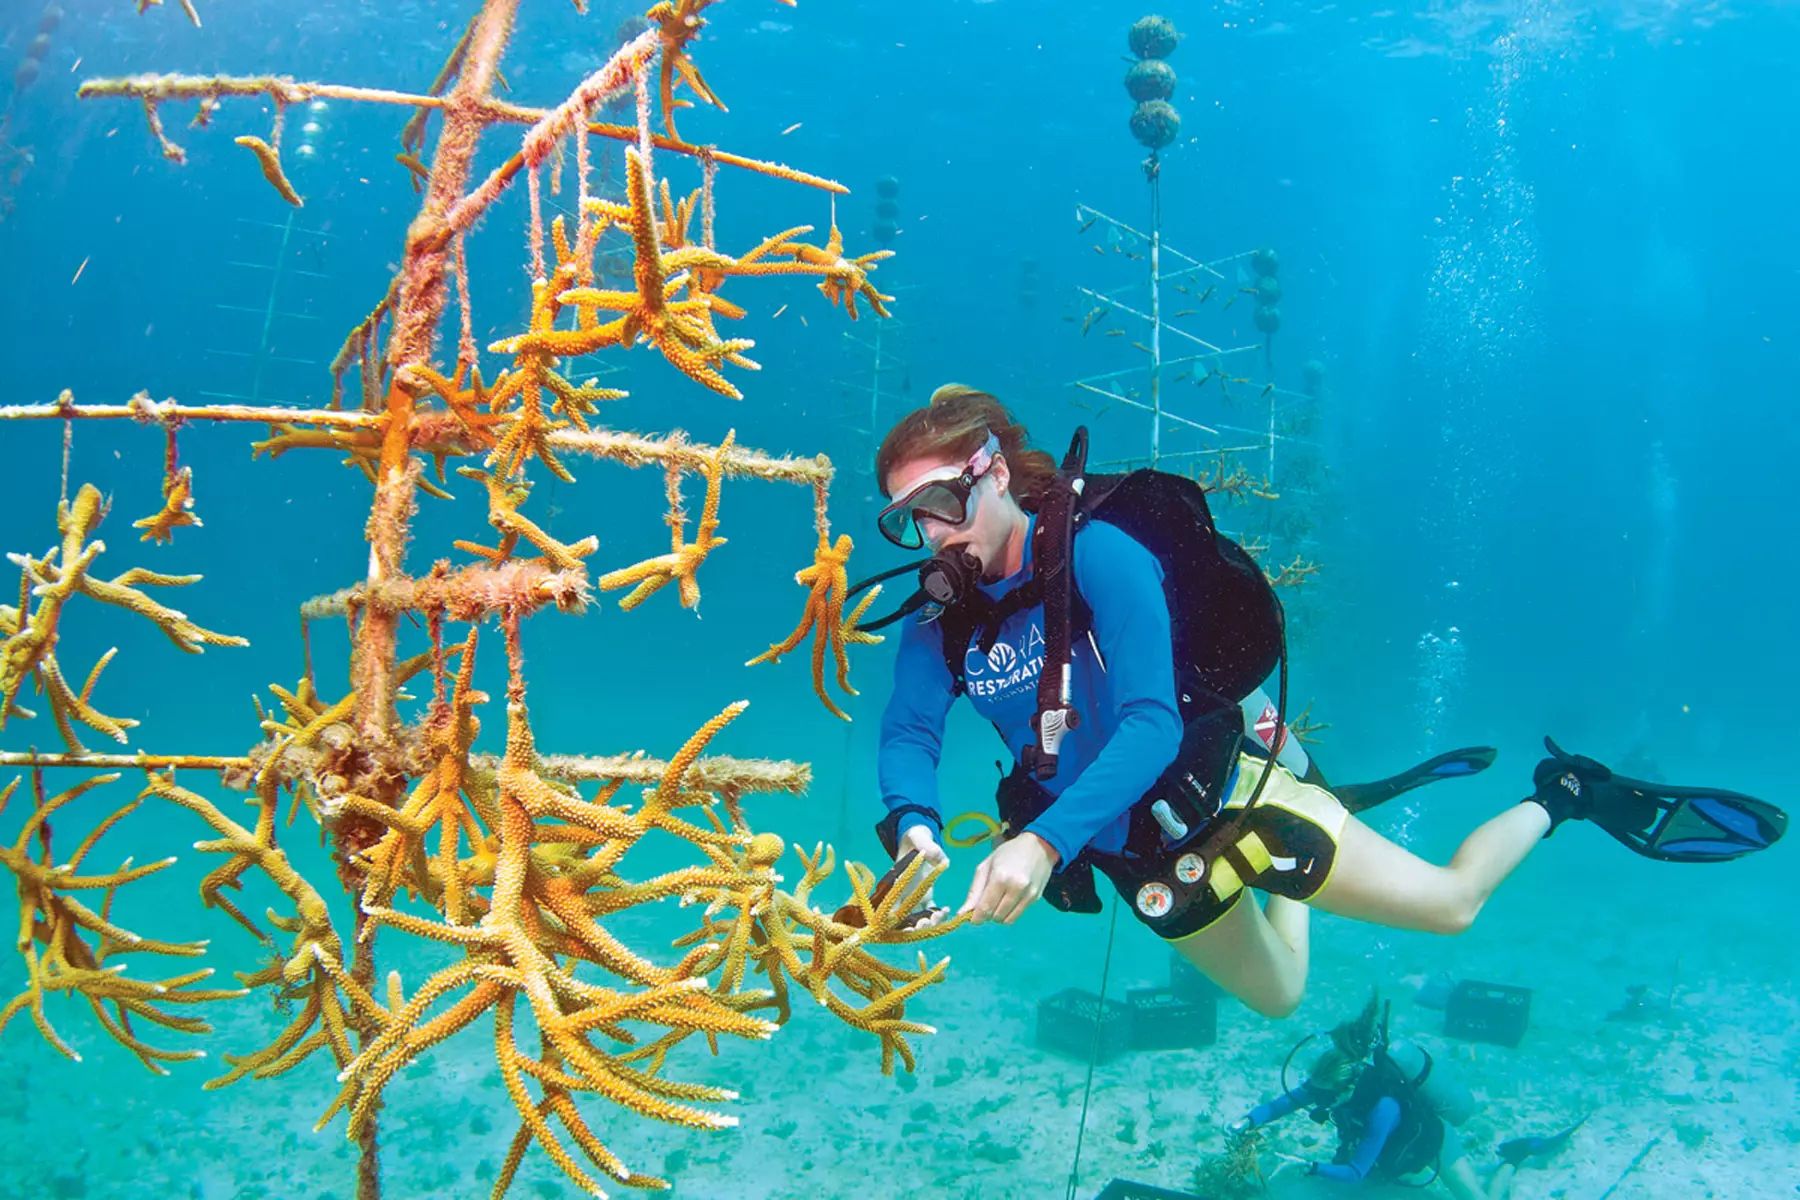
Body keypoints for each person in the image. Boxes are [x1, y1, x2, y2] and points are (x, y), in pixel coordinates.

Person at [869, 385, 1786, 1017]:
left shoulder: (1100, 555)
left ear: (993, 472)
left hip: (1222, 798)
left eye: (941, 502)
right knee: (1279, 999)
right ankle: (1314, 782)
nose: (929, 535)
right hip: (1133, 846)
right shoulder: (937, 622)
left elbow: (1150, 722)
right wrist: (913, 825)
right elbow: (911, 728)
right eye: (906, 519)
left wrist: (1040, 840)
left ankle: (1565, 796)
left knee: (1453, 905)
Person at [1267, 1033, 1581, 1198]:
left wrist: (1309, 1166)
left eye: (1322, 1094)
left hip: (1434, 1141)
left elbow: (1355, 1172)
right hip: (1398, 1146)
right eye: (1315, 1091)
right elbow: (1284, 1103)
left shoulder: (1382, 1109)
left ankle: (1513, 1160)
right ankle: (1487, 1168)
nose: (1316, 1099)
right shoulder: (1331, 1086)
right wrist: (1245, 1123)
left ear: (1347, 1088)